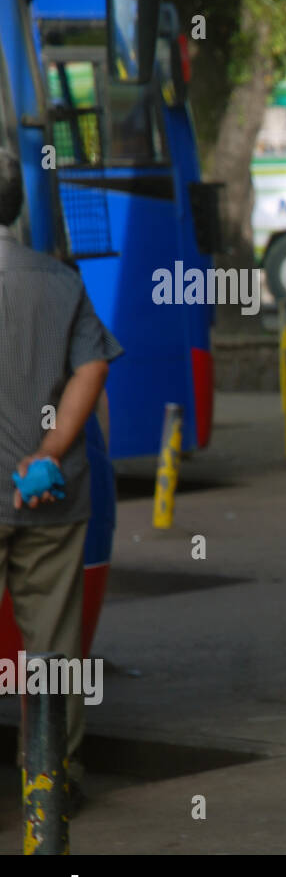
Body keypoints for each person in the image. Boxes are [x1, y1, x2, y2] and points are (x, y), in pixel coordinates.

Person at [0, 148, 123, 812]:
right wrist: (48, 448)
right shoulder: (60, 282)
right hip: (49, 487)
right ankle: (53, 773)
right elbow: (93, 370)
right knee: (52, 643)